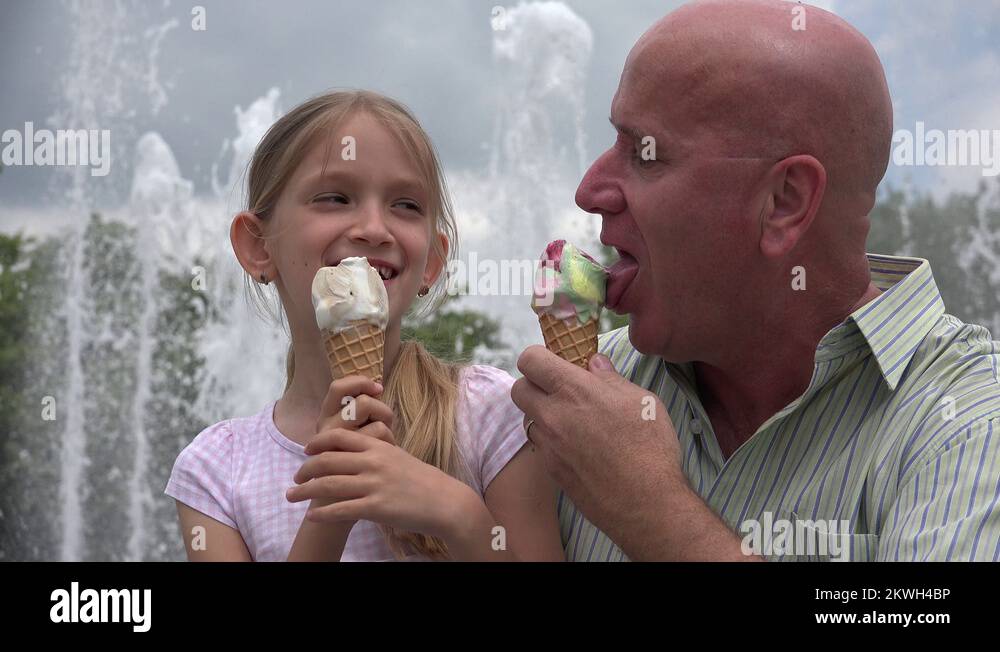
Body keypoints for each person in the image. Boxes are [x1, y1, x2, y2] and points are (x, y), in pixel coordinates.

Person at [512, 0, 1000, 561]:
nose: (590, 189)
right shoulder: (582, 394)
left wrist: (652, 514)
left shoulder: (967, 426)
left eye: (645, 154)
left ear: (785, 202)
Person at [165, 89, 563, 561]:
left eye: (406, 205)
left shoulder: (492, 414)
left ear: (433, 260)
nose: (374, 227)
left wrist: (457, 512)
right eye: (335, 198)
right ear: (258, 247)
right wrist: (331, 505)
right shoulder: (214, 471)